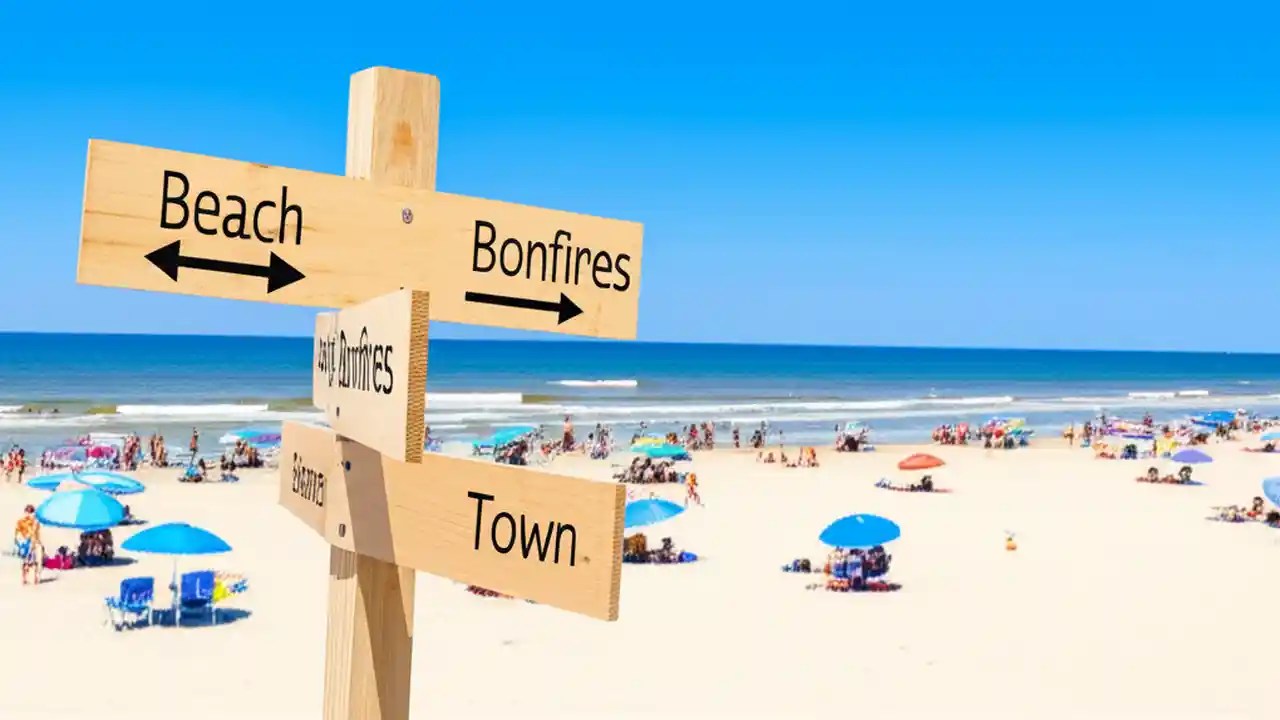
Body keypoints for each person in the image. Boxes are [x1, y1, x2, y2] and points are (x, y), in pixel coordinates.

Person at [14, 505, 41, 585]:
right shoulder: (20, 521)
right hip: (25, 543)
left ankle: (35, 578)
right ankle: (24, 579)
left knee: (34, 562)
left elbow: (36, 534)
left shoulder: (35, 522)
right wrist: (20, 542)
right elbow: (17, 532)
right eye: (27, 512)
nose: (29, 514)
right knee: (25, 562)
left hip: (34, 543)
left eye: (31, 512)